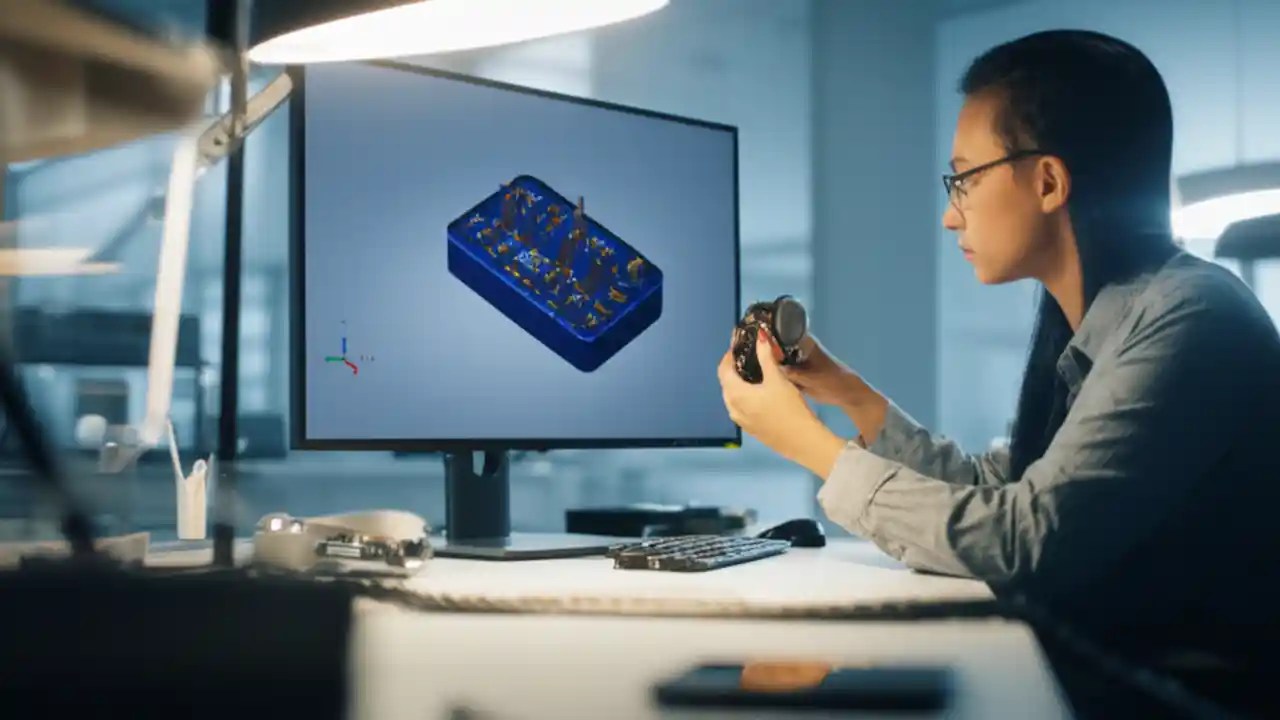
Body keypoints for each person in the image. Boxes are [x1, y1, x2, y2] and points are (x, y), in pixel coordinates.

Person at [718, 30, 1280, 650]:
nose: (950, 214)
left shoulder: (1192, 316)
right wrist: (847, 393)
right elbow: (1007, 485)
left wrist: (807, 444)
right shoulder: (1114, 318)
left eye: (965, 180)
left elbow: (1024, 539)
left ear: (1047, 183)